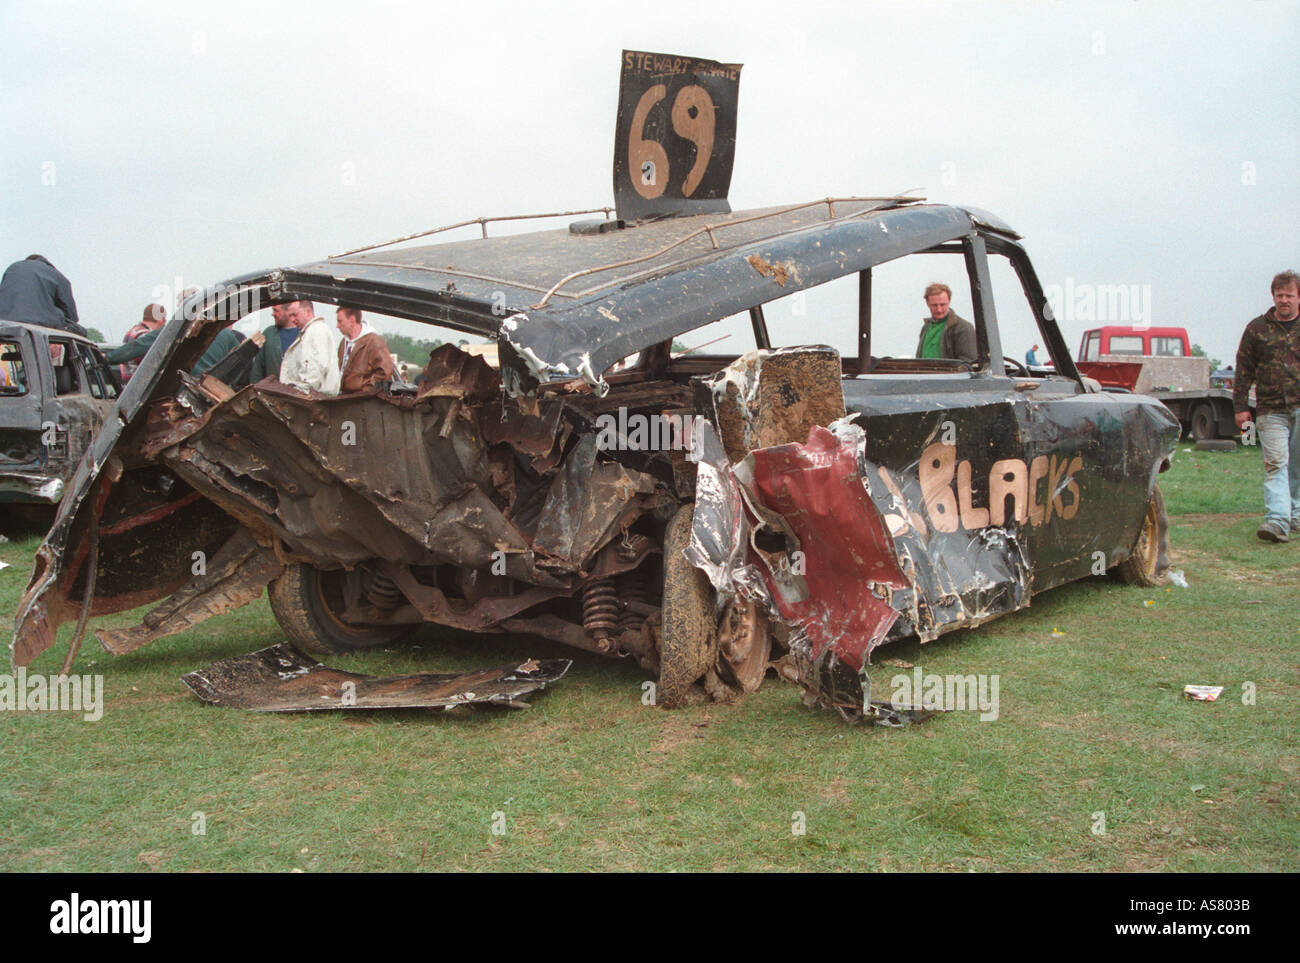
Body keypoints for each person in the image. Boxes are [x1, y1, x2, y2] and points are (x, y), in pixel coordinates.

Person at [1234, 269, 1300, 543]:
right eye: (1279, 294)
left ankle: (1296, 514)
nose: (1283, 299)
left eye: (1289, 295)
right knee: (1276, 463)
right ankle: (1277, 521)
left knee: (1297, 464)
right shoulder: (1256, 329)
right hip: (1270, 409)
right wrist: (1240, 407)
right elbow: (1243, 370)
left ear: (1298, 297)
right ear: (1272, 296)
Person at [0, 255, 87, 337]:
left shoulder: (12, 268)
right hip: (40, 323)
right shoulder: (56, 274)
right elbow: (72, 315)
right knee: (80, 331)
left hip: (4, 322)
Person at [278, 300, 340, 394]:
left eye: (295, 314)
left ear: (308, 311)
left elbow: (315, 368)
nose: (292, 320)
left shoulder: (316, 330)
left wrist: (303, 392)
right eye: (290, 316)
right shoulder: (309, 332)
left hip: (312, 399)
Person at [335, 306, 394, 392]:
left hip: (363, 401)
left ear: (352, 320)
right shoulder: (343, 343)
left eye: (340, 321)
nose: (337, 326)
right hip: (345, 398)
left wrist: (365, 390)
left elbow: (385, 373)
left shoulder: (374, 342)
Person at [915, 282, 977, 362]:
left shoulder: (963, 328)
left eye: (942, 304)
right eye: (934, 305)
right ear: (927, 303)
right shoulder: (926, 328)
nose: (939, 309)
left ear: (949, 301)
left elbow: (968, 363)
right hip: (924, 374)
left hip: (949, 374)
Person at [248, 302, 297, 382]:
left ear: (288, 311)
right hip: (272, 392)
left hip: (298, 392)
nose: (272, 314)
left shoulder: (304, 334)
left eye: (276, 310)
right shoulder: (268, 334)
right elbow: (258, 369)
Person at [118, 303, 167, 382]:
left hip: (129, 387)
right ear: (161, 319)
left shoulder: (132, 332)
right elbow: (153, 365)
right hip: (140, 388)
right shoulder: (145, 336)